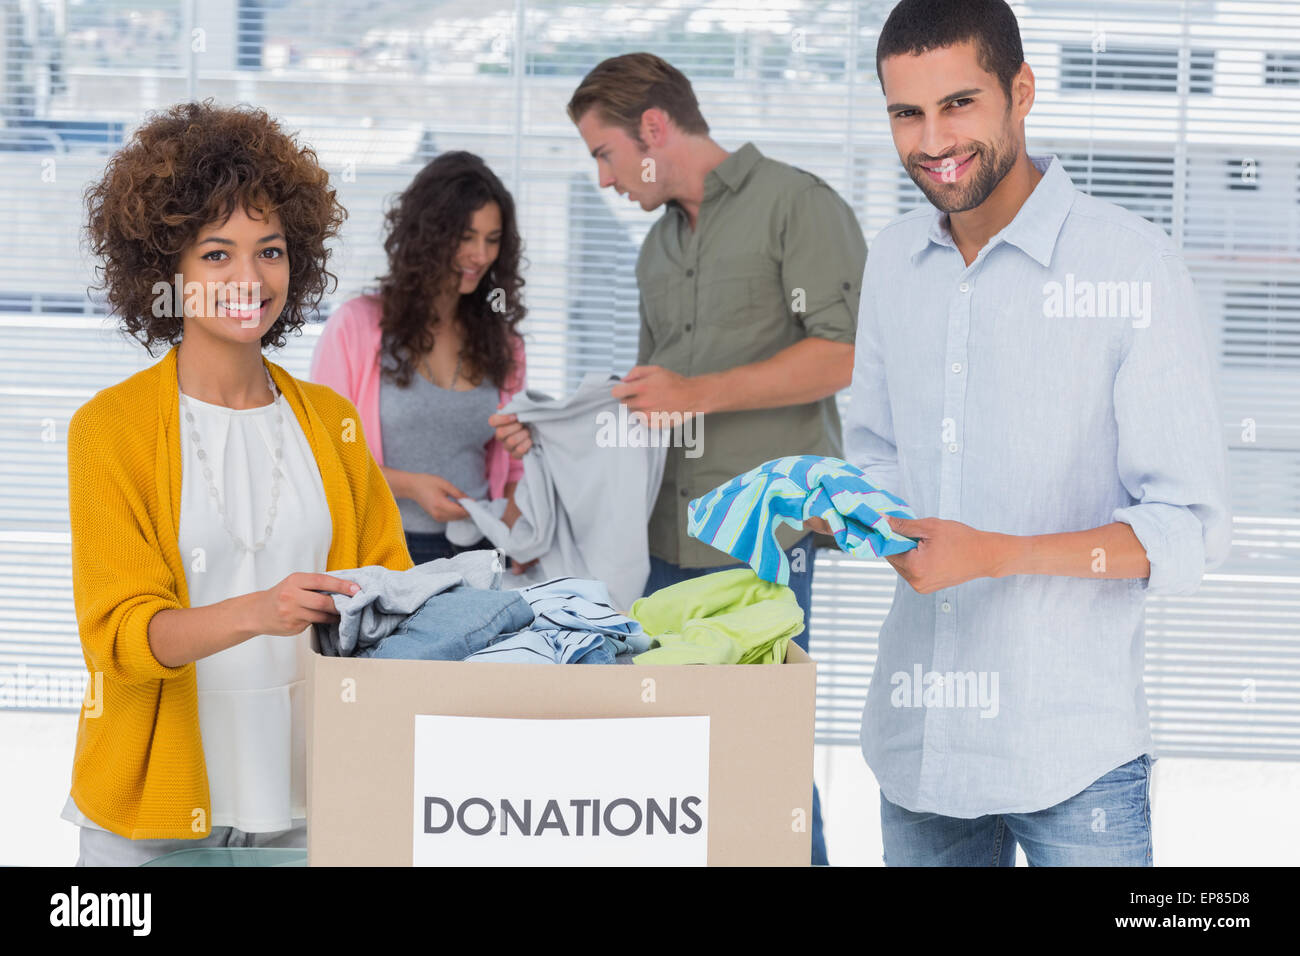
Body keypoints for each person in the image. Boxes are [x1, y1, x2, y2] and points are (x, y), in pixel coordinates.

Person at [825, 0, 1232, 865]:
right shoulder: (893, 260)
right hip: (918, 750)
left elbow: (1187, 528)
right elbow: (877, 451)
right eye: (907, 113)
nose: (933, 140)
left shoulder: (1131, 266)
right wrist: (864, 517)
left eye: (959, 103)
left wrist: (999, 553)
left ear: (1022, 91)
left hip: (1072, 761)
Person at [491, 52, 867, 865]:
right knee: (665, 768)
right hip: (660, 543)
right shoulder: (655, 253)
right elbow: (648, 407)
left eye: (604, 153)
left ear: (653, 130)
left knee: (760, 758)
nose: (603, 179)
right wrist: (552, 432)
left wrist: (696, 391)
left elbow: (844, 358)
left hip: (761, 543)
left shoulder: (795, 207)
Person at [61, 101, 413, 865]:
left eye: (271, 251)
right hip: (147, 824)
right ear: (167, 269)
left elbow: (397, 595)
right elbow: (122, 640)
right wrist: (262, 609)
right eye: (216, 254)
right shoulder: (109, 430)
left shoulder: (331, 422)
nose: (249, 279)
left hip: (309, 811)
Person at [310, 152, 529, 568]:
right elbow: (324, 453)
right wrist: (410, 487)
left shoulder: (505, 344)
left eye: (492, 239)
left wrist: (515, 531)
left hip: (481, 551)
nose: (480, 254)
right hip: (388, 550)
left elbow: (515, 468)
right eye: (466, 236)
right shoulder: (358, 326)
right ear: (429, 234)